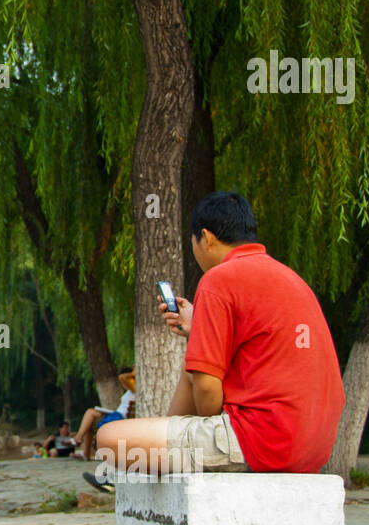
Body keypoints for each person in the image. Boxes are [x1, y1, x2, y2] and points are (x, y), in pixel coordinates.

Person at [92, 191, 344, 481]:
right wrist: (198, 329)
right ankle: (166, 451)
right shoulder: (289, 277)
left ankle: (164, 461)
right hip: (314, 446)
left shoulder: (218, 279)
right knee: (190, 374)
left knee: (109, 437)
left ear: (206, 237)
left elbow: (208, 390)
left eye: (193, 243)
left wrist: (207, 432)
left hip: (263, 443)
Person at [72, 369, 135, 457]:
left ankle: (78, 438)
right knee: (89, 420)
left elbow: (122, 377)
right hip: (117, 415)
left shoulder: (133, 388)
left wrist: (135, 371)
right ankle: (84, 451)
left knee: (90, 413)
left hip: (119, 418)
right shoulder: (131, 390)